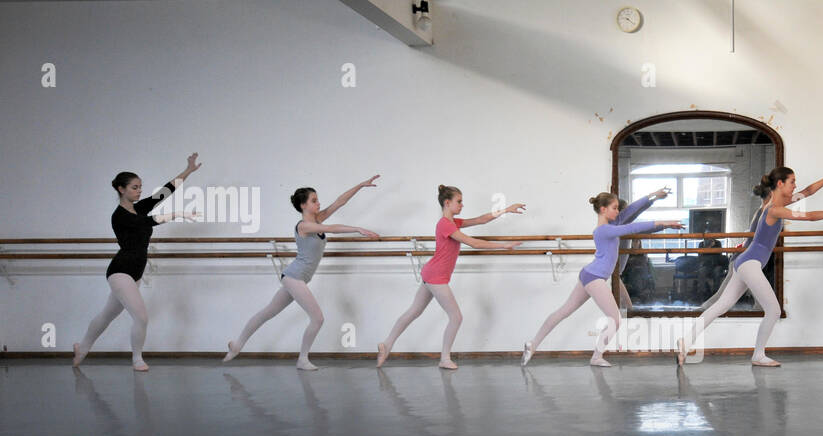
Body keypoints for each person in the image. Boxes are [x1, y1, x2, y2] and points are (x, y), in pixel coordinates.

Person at [677, 166, 823, 367]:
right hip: (750, 262)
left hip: (746, 261)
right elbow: (808, 216)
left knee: (721, 305)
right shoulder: (774, 209)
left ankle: (686, 341)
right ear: (780, 184)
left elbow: (808, 191)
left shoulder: (780, 203)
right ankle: (758, 355)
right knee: (773, 310)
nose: (795, 186)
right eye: (792, 182)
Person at [223, 176, 380, 370]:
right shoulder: (303, 226)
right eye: (314, 200)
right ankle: (302, 359)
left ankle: (237, 345)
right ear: (303, 205)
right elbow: (331, 228)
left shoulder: (318, 219)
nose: (318, 203)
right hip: (294, 277)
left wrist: (360, 185)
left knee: (268, 312)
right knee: (318, 318)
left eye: (317, 199)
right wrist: (356, 228)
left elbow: (340, 201)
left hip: (297, 277)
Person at [73, 153, 203, 371]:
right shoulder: (120, 215)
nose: (139, 191)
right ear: (121, 189)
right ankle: (137, 359)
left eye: (140, 187)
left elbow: (165, 191)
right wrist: (179, 213)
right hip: (121, 271)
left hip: (136, 273)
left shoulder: (139, 207)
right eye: (134, 187)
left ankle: (82, 347)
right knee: (141, 317)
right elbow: (148, 221)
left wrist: (188, 170)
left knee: (107, 315)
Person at [523, 193, 682, 367]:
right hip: (595, 277)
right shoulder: (603, 230)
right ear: (603, 209)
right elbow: (633, 228)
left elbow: (632, 211)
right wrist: (663, 222)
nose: (618, 211)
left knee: (564, 312)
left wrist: (653, 198)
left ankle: (533, 344)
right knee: (615, 319)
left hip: (589, 274)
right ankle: (596, 356)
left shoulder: (613, 223)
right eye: (614, 208)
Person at [376, 185, 525, 370]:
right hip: (436, 276)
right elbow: (473, 242)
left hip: (432, 274)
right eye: (459, 201)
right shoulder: (445, 224)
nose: (462, 205)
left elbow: (481, 220)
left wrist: (506, 209)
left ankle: (387, 344)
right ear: (447, 203)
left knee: (414, 311)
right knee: (456, 317)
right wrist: (503, 246)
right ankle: (444, 358)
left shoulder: (454, 222)